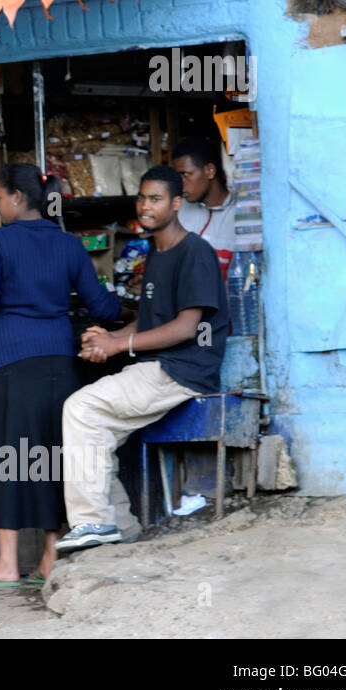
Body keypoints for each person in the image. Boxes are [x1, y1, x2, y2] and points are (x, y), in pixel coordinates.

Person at [0, 163, 122, 587]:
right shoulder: (69, 245)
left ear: (17, 197)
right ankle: (50, 559)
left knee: (8, 462)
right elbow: (104, 307)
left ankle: (7, 565)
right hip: (58, 364)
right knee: (50, 458)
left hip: (13, 364)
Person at [57, 166, 229, 552]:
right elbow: (148, 323)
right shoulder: (156, 254)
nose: (145, 205)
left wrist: (120, 346)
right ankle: (121, 526)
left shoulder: (195, 253)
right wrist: (108, 337)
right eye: (141, 197)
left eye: (155, 199)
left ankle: (93, 522)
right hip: (156, 366)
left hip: (181, 369)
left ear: (177, 203)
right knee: (94, 432)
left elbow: (186, 328)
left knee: (81, 409)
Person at [172, 135, 236, 278]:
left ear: (209, 171)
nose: (180, 184)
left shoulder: (239, 214)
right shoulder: (180, 209)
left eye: (185, 175)